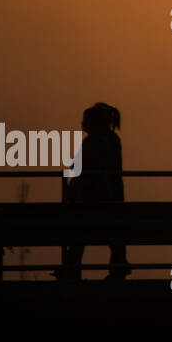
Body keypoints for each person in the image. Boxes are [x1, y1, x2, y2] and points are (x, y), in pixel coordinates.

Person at [59, 102, 129, 281]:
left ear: (94, 122)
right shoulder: (114, 140)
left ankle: (71, 269)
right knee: (115, 237)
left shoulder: (92, 142)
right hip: (112, 199)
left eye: (85, 120)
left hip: (89, 200)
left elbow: (75, 168)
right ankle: (118, 268)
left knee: (78, 235)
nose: (82, 124)